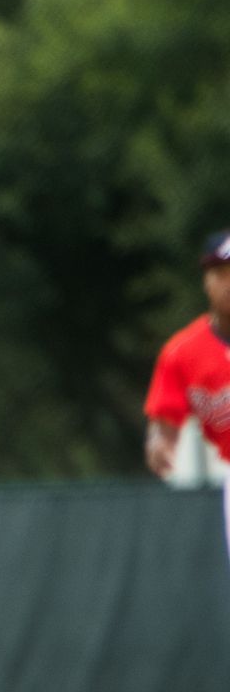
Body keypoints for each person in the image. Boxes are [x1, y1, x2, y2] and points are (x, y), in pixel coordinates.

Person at [144, 228, 230, 556]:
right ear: (206, 281)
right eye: (221, 273)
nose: (229, 283)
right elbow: (165, 422)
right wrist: (160, 443)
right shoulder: (182, 353)